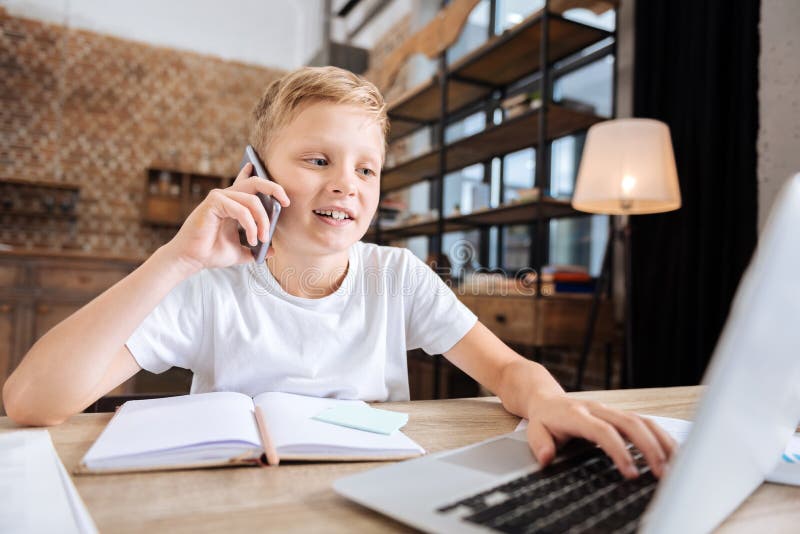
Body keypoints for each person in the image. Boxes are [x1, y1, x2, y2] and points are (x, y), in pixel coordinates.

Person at [3, 66, 675, 479]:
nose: (347, 186)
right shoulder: (208, 288)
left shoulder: (397, 275)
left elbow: (503, 370)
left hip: (372, 489)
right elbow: (31, 402)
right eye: (317, 160)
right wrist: (174, 259)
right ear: (256, 174)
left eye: (366, 168)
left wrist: (552, 402)